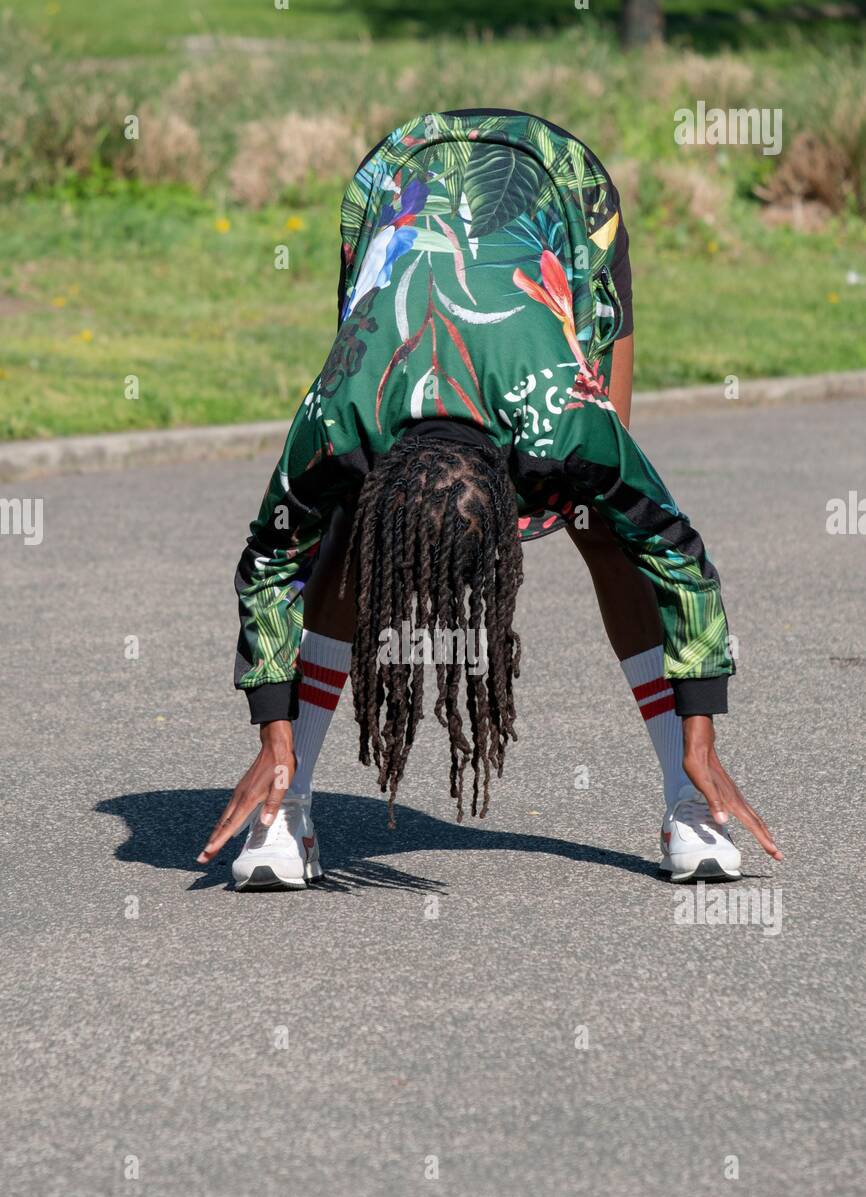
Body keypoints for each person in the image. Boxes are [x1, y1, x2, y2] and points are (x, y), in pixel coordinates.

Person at [196, 108, 782, 888]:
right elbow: (273, 558)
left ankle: (687, 799)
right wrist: (273, 736)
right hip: (398, 183)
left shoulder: (566, 421)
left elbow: (671, 546)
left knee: (603, 523)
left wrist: (701, 730)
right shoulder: (341, 417)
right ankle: (286, 806)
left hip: (560, 188)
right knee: (336, 526)